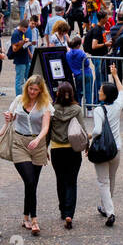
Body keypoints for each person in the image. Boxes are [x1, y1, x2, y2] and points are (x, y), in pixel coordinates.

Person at [4, 74, 52, 236]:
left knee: (32, 184)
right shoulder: (19, 100)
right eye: (30, 88)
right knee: (30, 180)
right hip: (19, 142)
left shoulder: (45, 103)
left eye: (36, 90)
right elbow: (11, 116)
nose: (32, 92)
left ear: (40, 90)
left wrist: (39, 140)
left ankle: (25, 217)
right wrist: (9, 117)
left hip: (37, 144)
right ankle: (34, 220)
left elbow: (46, 126)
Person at [88, 65, 123, 226]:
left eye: (101, 90)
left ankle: (110, 211)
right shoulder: (117, 106)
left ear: (105, 95)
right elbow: (121, 91)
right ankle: (105, 206)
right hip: (116, 148)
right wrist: (115, 75)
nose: (98, 92)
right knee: (112, 177)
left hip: (102, 149)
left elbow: (97, 129)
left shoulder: (98, 110)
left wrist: (90, 137)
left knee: (102, 181)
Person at [48, 82, 85, 228]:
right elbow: (82, 129)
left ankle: (63, 210)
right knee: (71, 182)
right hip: (72, 149)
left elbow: (47, 129)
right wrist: (86, 145)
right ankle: (69, 213)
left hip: (57, 149)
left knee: (60, 180)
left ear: (58, 94)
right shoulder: (76, 109)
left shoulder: (52, 110)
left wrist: (44, 148)